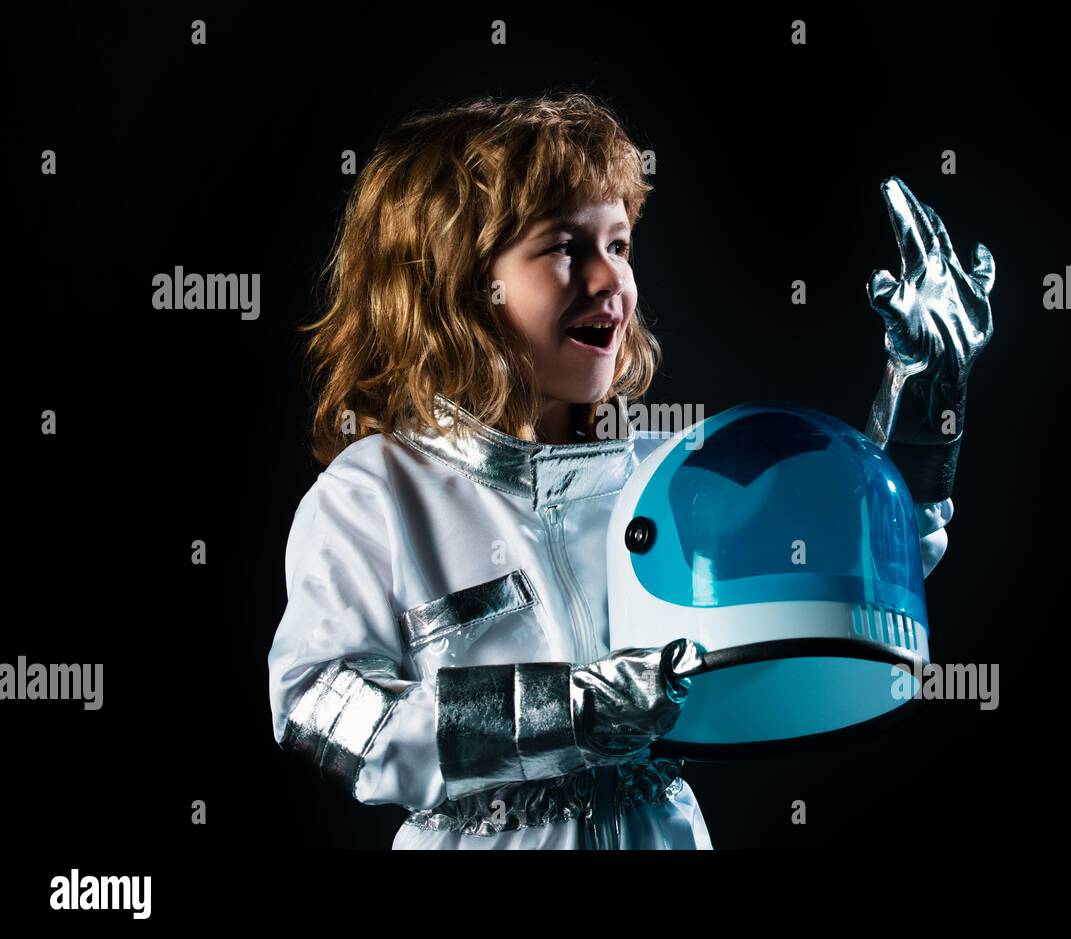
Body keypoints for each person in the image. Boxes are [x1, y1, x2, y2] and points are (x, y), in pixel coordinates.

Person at [266, 92, 991, 850]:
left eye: (618, 244)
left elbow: (851, 567)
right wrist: (572, 709)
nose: (610, 280)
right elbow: (324, 709)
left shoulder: (663, 472)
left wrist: (925, 392)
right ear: (455, 283)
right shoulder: (374, 493)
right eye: (563, 247)